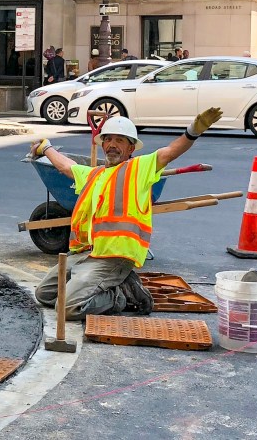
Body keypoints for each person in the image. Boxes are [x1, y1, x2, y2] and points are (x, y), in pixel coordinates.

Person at [30, 108, 223, 320]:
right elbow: (67, 166)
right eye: (108, 139)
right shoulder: (94, 174)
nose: (112, 144)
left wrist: (192, 131)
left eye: (120, 140)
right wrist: (45, 147)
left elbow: (169, 152)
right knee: (44, 294)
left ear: (131, 147)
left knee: (66, 308)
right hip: (87, 253)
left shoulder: (139, 168)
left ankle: (121, 295)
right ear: (102, 144)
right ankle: (109, 285)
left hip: (114, 258)